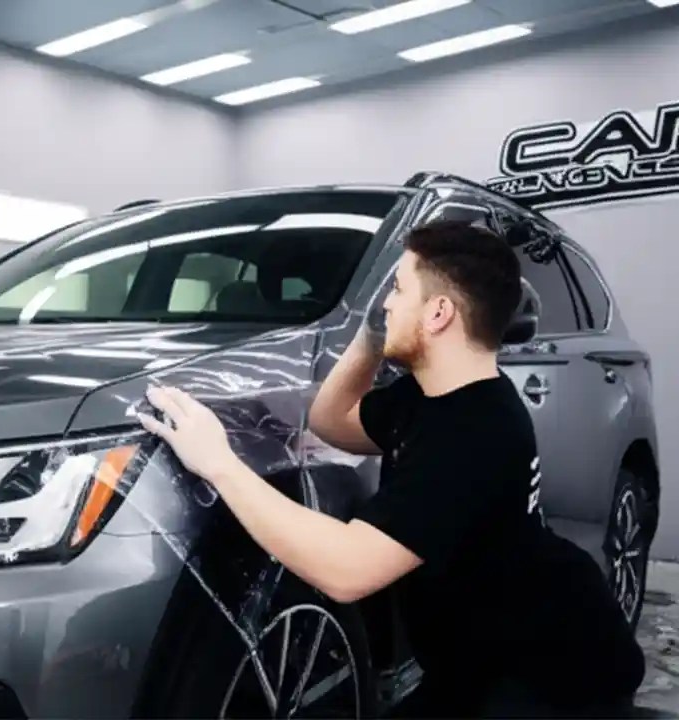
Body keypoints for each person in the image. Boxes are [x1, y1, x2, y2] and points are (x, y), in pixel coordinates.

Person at [138, 219, 646, 718]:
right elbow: (332, 421)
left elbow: (346, 570)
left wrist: (220, 464)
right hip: (475, 665)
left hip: (551, 681)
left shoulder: (476, 432)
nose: (385, 303)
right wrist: (370, 338)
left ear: (438, 313)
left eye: (398, 290)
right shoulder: (428, 398)